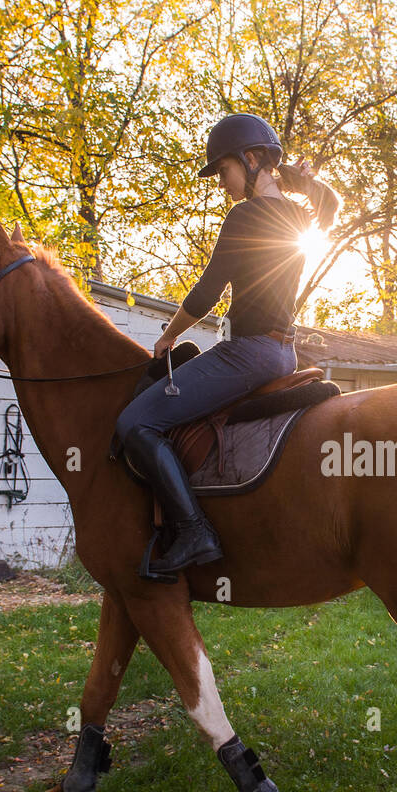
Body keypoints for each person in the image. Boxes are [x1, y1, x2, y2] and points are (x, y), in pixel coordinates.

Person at [115, 113, 343, 579]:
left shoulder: (245, 215)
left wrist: (169, 334)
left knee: (135, 422)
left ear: (252, 159)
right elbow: (331, 206)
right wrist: (302, 182)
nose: (222, 182)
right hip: (285, 351)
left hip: (251, 352)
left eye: (224, 170)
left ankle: (194, 530)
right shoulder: (302, 216)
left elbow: (206, 292)